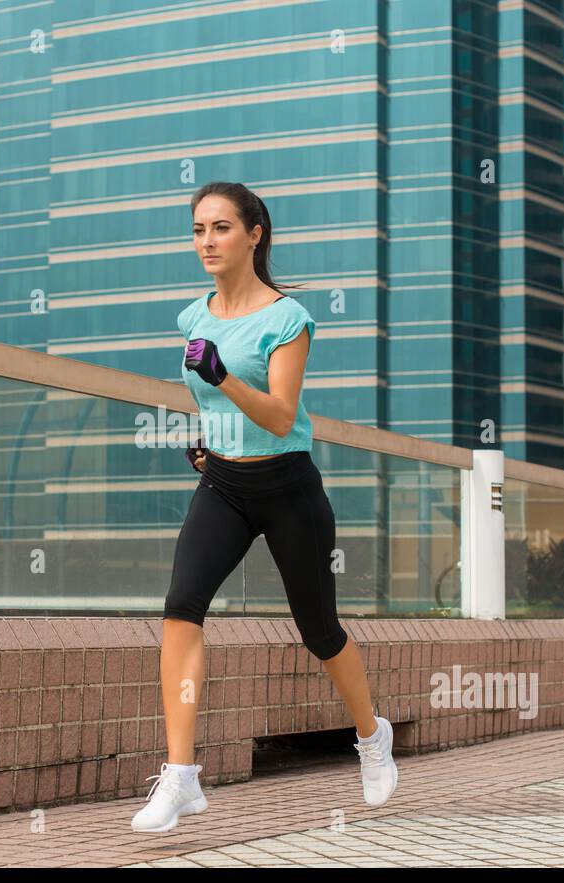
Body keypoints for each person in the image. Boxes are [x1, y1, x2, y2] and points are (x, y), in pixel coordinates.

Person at [132, 182, 398, 833]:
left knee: (319, 630)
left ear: (255, 234)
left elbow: (280, 417)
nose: (206, 242)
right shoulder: (192, 317)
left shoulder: (288, 318)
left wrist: (224, 376)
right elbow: (214, 406)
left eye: (221, 228)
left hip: (288, 489)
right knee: (180, 609)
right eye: (198, 229)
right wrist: (209, 438)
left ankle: (371, 734)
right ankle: (181, 774)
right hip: (223, 485)